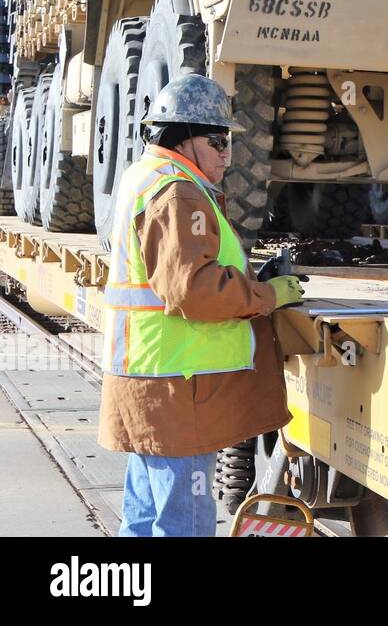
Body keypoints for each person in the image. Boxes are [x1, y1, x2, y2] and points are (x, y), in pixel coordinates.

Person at [97, 74, 303, 536]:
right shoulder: (177, 191)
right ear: (183, 137)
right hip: (178, 391)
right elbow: (193, 290)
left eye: (228, 141)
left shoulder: (143, 177)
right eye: (218, 140)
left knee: (145, 520)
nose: (228, 154)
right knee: (184, 525)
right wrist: (270, 295)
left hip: (150, 381)